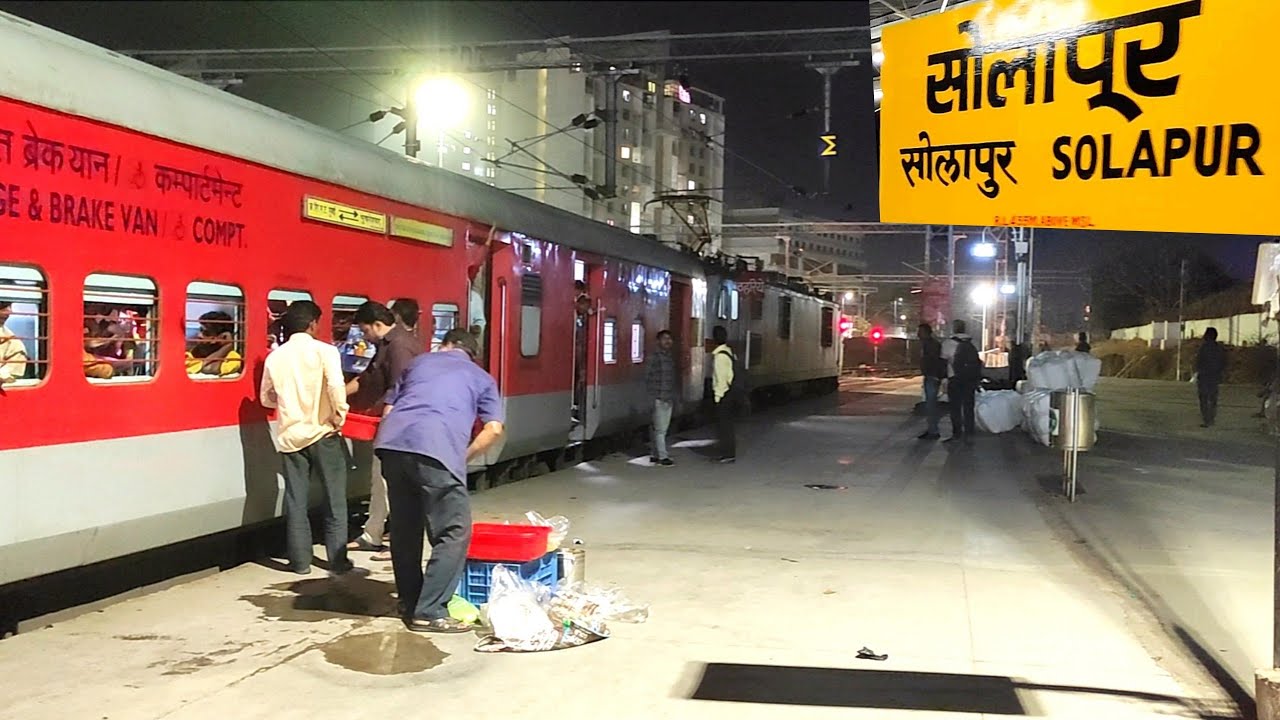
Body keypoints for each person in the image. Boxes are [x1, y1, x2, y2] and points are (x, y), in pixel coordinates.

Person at [375, 329, 504, 633]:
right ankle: (430, 610)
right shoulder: (481, 377)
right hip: (437, 449)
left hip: (392, 447)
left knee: (405, 529)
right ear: (471, 354)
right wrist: (463, 456)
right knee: (454, 531)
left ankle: (409, 602)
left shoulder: (418, 363)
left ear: (445, 345)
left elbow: (389, 410)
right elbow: (494, 429)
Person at [259, 300, 353, 576]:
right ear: (313, 324)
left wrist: (286, 399)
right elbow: (335, 386)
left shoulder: (275, 357)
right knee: (334, 500)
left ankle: (300, 563)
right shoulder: (326, 351)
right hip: (323, 433)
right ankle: (337, 561)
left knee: (296, 501)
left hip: (291, 437)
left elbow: (266, 398)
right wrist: (339, 415)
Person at [344, 301, 423, 560]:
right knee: (380, 479)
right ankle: (373, 534)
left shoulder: (399, 346)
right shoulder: (387, 344)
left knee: (393, 482)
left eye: (365, 330)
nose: (364, 336)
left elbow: (401, 386)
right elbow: (368, 377)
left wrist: (389, 417)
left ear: (377, 325)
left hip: (398, 425)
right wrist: (338, 394)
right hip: (391, 422)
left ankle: (397, 542)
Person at [941, 319, 980, 443]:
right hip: (970, 379)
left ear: (954, 328)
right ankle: (969, 432)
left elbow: (943, 361)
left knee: (955, 407)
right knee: (969, 406)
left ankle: (957, 433)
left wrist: (944, 379)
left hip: (955, 378)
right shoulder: (973, 342)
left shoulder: (947, 343)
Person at [646, 330, 678, 466]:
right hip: (658, 396)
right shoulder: (654, 357)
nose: (668, 341)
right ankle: (663, 457)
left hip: (667, 397)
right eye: (664, 338)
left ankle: (655, 454)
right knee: (660, 429)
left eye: (669, 338)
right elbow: (646, 376)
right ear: (658, 341)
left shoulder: (669, 357)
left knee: (657, 428)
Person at [184, 311, 243, 377]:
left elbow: (208, 369)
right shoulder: (194, 352)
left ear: (223, 337)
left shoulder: (232, 358)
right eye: (200, 330)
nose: (199, 335)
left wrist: (228, 346)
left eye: (207, 333)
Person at [710, 325, 738, 463]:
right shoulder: (729, 352)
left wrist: (717, 397)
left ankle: (727, 454)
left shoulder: (720, 356)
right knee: (727, 425)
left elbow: (721, 379)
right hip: (731, 393)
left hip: (724, 395)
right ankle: (728, 453)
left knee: (724, 426)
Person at [917, 323, 945, 440]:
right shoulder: (930, 344)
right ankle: (932, 429)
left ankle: (933, 430)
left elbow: (935, 361)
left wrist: (935, 375)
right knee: (930, 404)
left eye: (920, 332)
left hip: (932, 377)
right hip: (931, 376)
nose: (918, 334)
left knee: (931, 404)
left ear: (925, 332)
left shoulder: (931, 345)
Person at [1195, 326, 1227, 428]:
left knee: (1204, 398)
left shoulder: (1203, 347)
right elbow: (1224, 361)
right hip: (1215, 376)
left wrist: (1198, 371)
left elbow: (1199, 361)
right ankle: (1211, 418)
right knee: (1213, 398)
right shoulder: (1219, 348)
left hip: (1204, 375)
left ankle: (1206, 419)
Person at [0, 301, 28, 384]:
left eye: (10, 306)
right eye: (3, 305)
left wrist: (4, 375)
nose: (9, 311)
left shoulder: (14, 344)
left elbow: (8, 376)